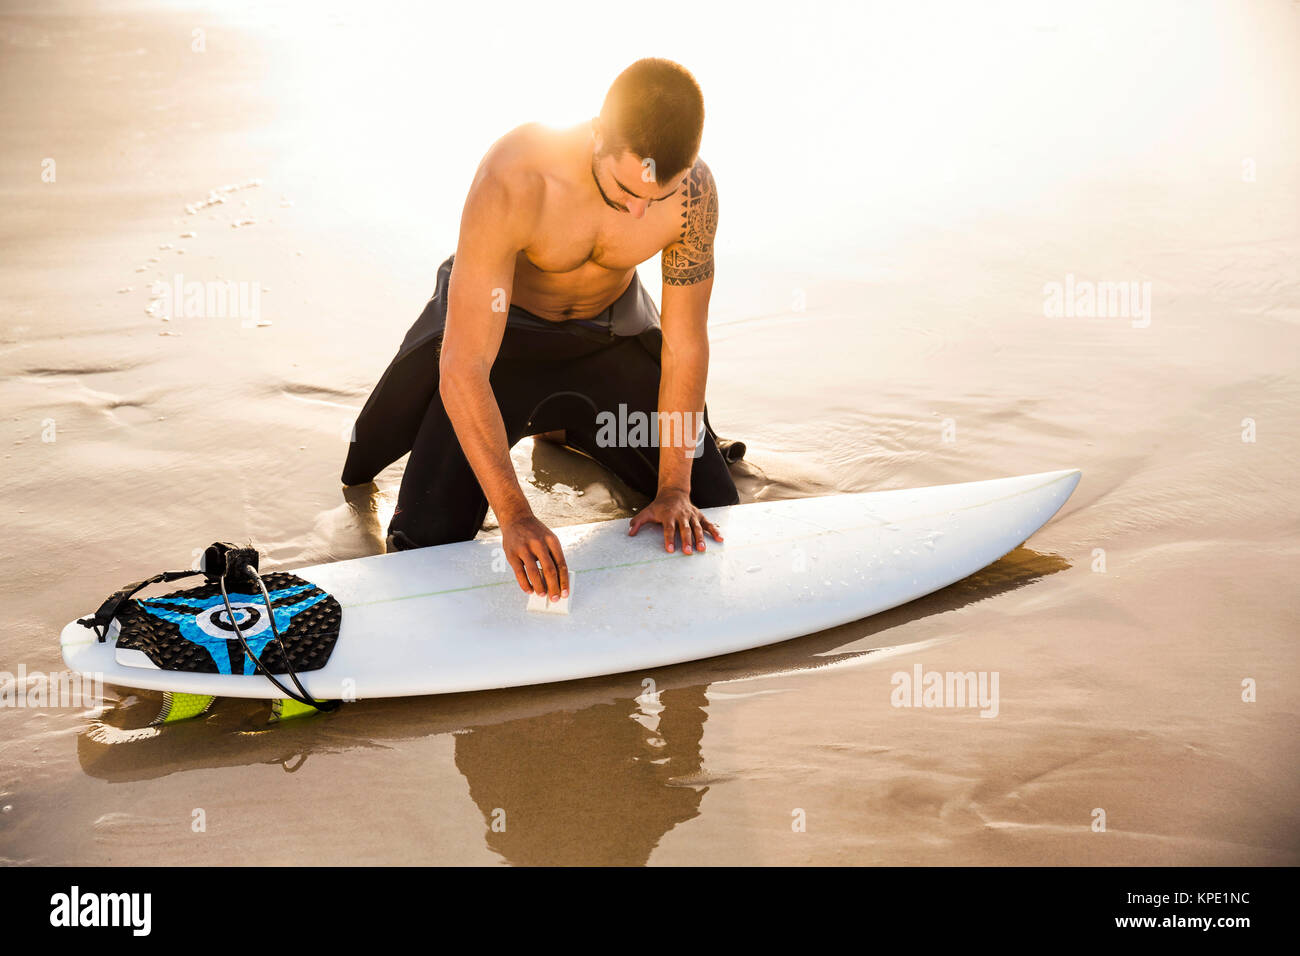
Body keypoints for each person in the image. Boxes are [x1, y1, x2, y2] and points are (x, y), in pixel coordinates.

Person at [342, 58, 743, 605]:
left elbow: (684, 344)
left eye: (656, 197)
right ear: (599, 133)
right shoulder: (518, 175)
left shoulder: (693, 196)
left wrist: (675, 489)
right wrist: (517, 515)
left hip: (609, 343)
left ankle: (567, 428)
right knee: (423, 545)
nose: (637, 211)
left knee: (713, 510)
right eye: (625, 189)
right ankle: (548, 426)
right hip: (503, 347)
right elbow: (463, 365)